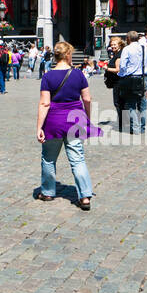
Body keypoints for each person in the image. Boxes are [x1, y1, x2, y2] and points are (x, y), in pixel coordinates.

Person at [35, 41, 99, 210]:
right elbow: (87, 99)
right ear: (68, 55)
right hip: (75, 120)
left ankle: (48, 192)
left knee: (48, 159)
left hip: (53, 121)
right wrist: (88, 117)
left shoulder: (48, 76)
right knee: (77, 159)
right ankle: (85, 196)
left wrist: (39, 127)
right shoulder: (78, 74)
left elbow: (44, 104)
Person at [114, 30, 147, 135]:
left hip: (131, 78)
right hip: (143, 77)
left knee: (130, 103)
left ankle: (135, 128)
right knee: (142, 103)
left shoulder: (127, 49)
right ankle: (142, 128)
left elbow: (122, 65)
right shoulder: (145, 49)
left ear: (128, 38)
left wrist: (122, 74)